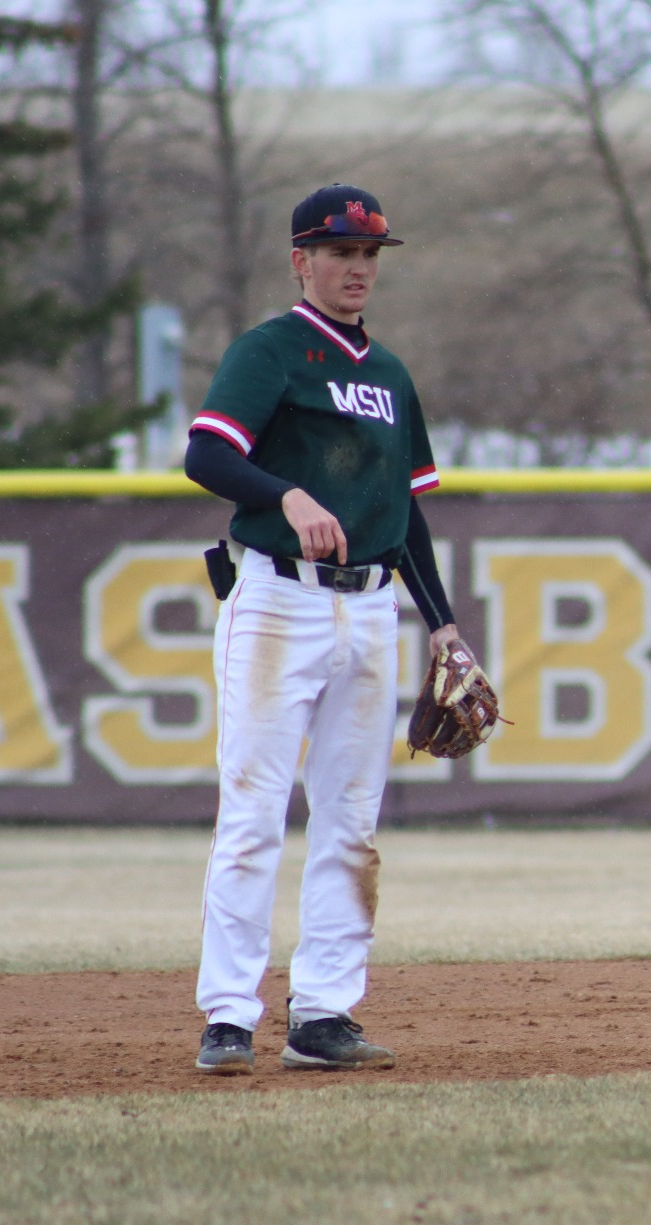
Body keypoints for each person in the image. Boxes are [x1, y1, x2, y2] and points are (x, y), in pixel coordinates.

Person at [184, 184, 460, 1075]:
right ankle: (228, 1015)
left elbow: (404, 514)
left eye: (370, 255)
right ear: (302, 260)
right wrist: (285, 492)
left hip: (371, 604)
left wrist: (445, 626)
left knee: (351, 818)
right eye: (340, 253)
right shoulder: (273, 351)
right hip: (278, 600)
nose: (358, 269)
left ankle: (324, 1012)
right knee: (255, 810)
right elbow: (207, 452)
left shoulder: (390, 375)